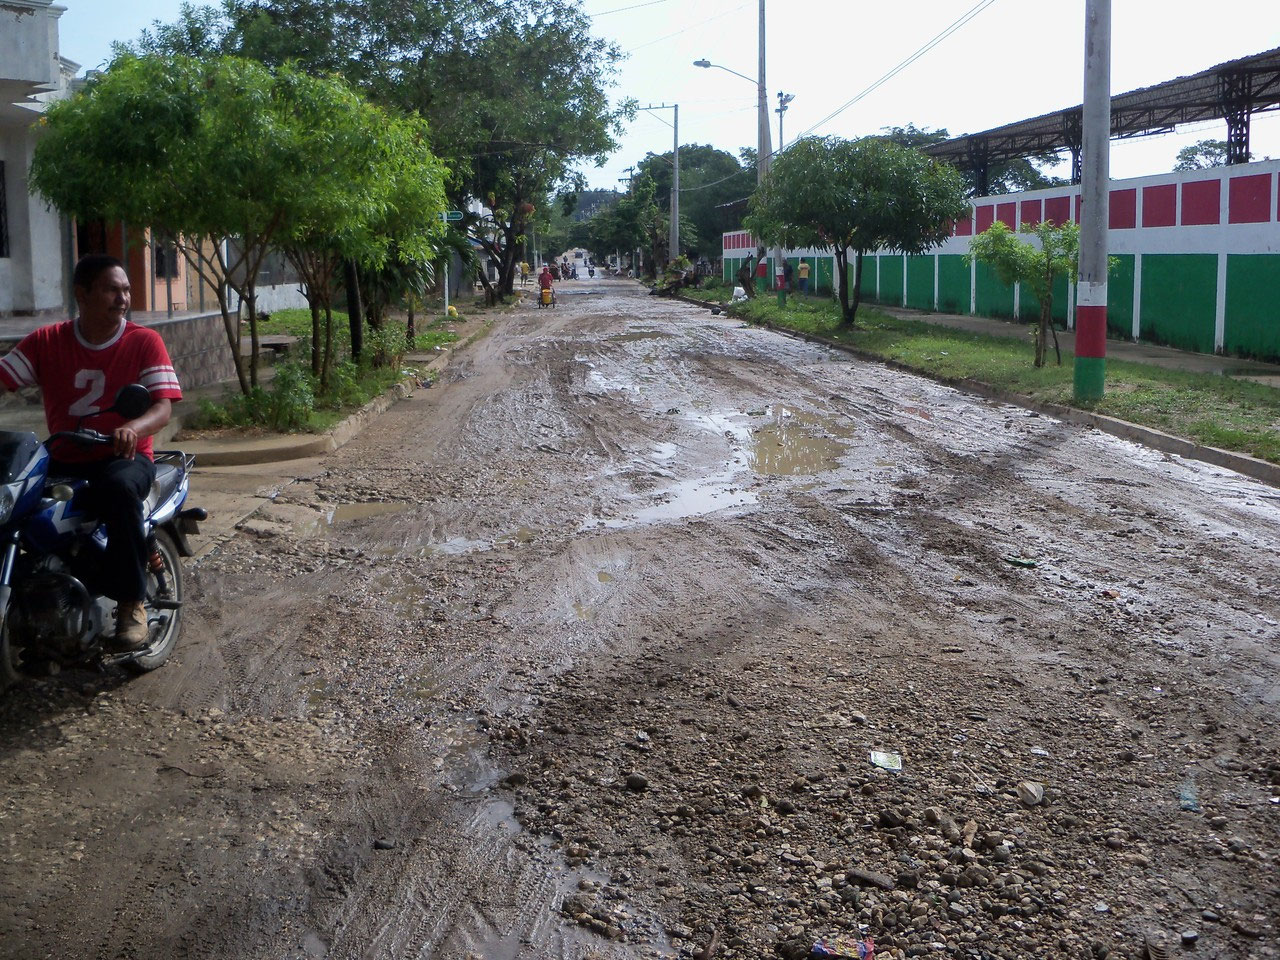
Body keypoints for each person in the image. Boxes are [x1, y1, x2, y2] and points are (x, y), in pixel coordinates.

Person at [0, 254, 182, 650]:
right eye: (112, 289)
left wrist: (133, 428)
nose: (123, 298)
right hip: (62, 454)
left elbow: (163, 406)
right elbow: (4, 377)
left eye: (126, 289)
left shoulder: (142, 340)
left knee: (118, 492)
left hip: (125, 459)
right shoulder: (47, 340)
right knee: (14, 504)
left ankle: (131, 603)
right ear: (82, 294)